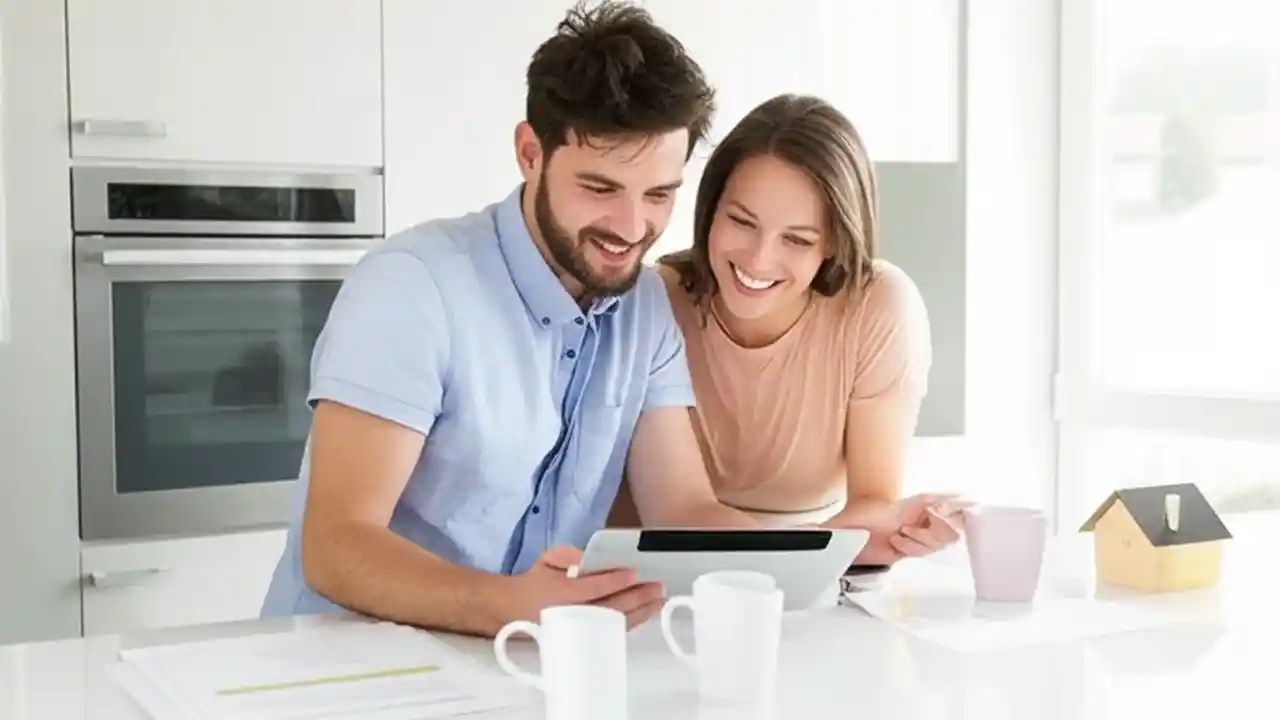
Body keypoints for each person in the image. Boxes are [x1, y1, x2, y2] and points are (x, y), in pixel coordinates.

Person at [259, 1, 763, 637]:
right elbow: (336, 545)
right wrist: (510, 607)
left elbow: (683, 509)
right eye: (601, 188)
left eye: (659, 195)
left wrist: (834, 548)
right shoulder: (412, 287)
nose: (634, 228)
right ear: (531, 153)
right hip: (347, 666)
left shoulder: (645, 309)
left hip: (512, 665)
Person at [609, 94, 965, 565]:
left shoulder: (878, 309)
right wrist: (822, 546)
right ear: (711, 209)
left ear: (836, 242)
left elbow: (872, 504)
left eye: (797, 240)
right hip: (657, 570)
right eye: (741, 221)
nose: (758, 260)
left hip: (800, 567)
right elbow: (681, 514)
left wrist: (898, 531)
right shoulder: (655, 303)